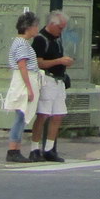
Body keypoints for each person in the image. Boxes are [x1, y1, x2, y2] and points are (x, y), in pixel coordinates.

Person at [30, 11, 73, 162]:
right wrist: (59, 61)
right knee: (43, 115)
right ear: (52, 24)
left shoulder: (57, 39)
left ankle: (49, 148)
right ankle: (34, 148)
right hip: (47, 79)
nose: (61, 31)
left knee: (58, 115)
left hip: (59, 80)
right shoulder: (40, 39)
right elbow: (38, 62)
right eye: (60, 28)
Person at [4, 10, 41, 163]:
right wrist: (29, 89)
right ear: (28, 27)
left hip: (24, 81)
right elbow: (22, 66)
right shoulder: (22, 44)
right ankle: (13, 149)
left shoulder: (21, 43)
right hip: (23, 82)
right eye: (35, 26)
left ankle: (15, 148)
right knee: (20, 116)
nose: (37, 29)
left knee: (22, 116)